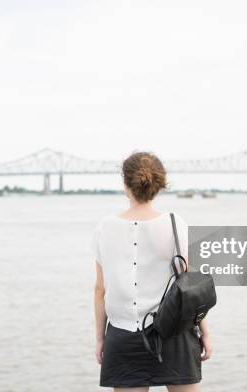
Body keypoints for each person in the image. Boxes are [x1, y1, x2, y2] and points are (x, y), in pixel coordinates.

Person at [92, 151, 211, 391]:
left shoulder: (105, 228)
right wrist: (205, 331)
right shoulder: (176, 223)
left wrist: (100, 339)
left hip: (123, 334)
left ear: (126, 185)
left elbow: (100, 290)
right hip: (175, 333)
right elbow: (192, 288)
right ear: (158, 186)